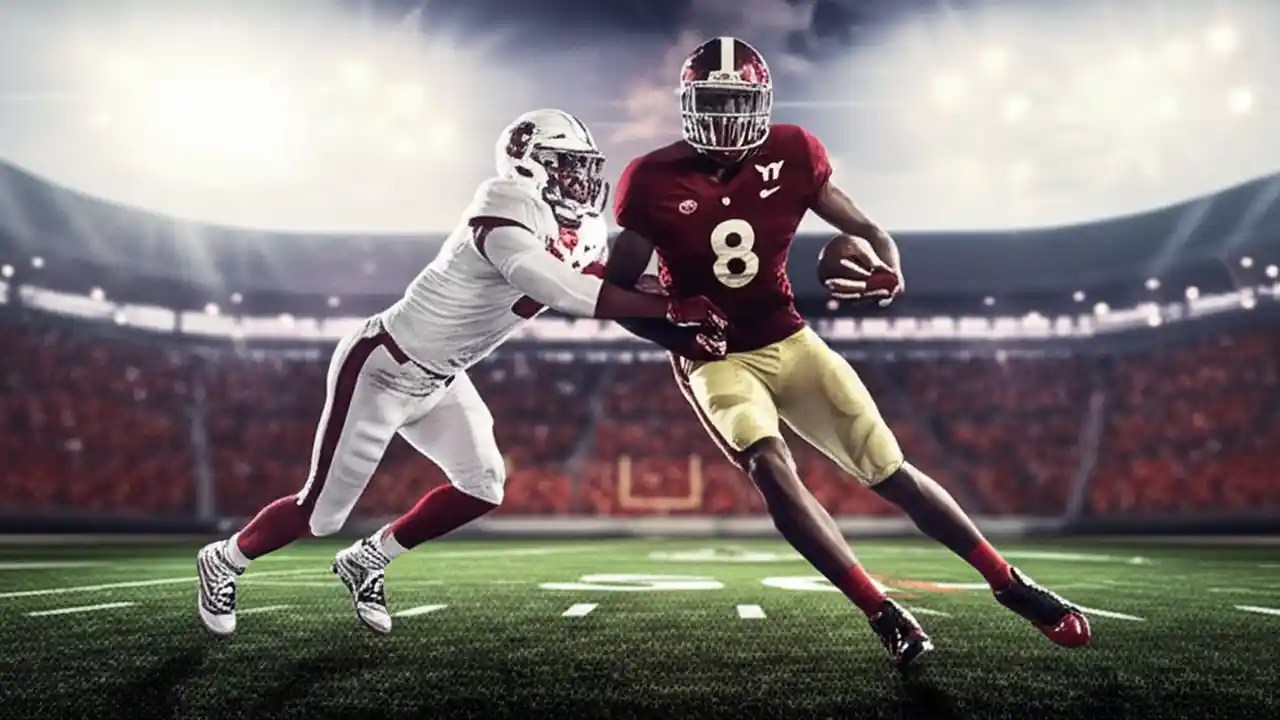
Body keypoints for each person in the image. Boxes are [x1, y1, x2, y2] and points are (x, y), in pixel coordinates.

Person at [605, 36, 1090, 667]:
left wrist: (889, 272)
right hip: (715, 355)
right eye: (713, 101)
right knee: (770, 466)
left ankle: (1009, 581)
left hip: (789, 336)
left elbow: (869, 232)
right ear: (689, 104)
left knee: (892, 470)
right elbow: (615, 295)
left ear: (762, 103)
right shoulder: (651, 179)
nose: (725, 116)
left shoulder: (795, 153)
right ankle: (882, 612)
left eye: (737, 101)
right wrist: (677, 327)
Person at [196, 108, 728, 636]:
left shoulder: (582, 228)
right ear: (526, 164)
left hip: (443, 378)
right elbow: (561, 290)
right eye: (566, 164)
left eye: (584, 165)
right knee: (320, 516)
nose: (581, 179)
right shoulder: (503, 208)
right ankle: (224, 560)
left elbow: (612, 294)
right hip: (382, 367)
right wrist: (671, 310)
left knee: (483, 485)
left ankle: (369, 559)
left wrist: (684, 323)